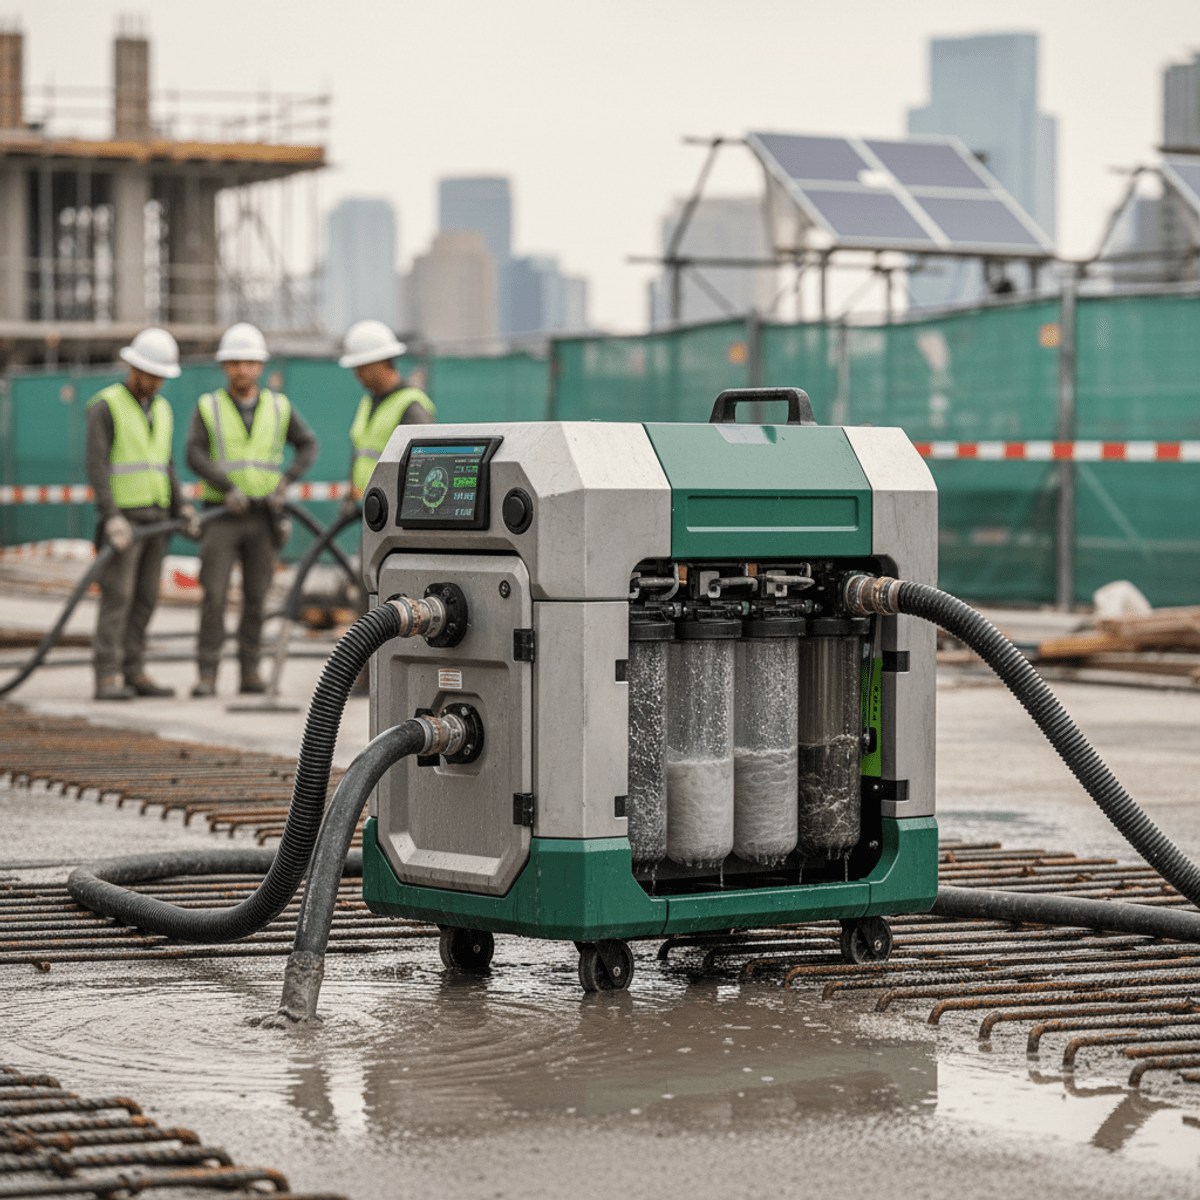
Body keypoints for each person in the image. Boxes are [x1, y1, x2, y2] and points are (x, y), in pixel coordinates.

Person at [185, 322, 319, 697]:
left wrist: (285, 480)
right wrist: (226, 486)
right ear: (225, 367)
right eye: (235, 363)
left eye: (249, 363)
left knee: (256, 598)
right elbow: (192, 453)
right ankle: (208, 674)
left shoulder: (279, 407)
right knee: (214, 595)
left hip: (263, 517)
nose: (242, 369)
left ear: (260, 367)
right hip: (221, 515)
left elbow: (307, 444)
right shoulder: (208, 407)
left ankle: (250, 672)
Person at [85, 327, 201, 701]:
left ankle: (133, 671)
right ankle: (107, 675)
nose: (155, 382)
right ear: (133, 368)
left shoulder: (162, 409)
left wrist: (180, 504)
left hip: (157, 522)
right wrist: (111, 515)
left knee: (146, 597)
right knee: (118, 597)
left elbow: (164, 464)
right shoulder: (107, 406)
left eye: (160, 376)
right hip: (125, 522)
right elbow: (97, 465)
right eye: (149, 374)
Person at [339, 319, 435, 505]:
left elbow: (421, 470)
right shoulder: (368, 402)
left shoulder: (411, 406)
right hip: (371, 511)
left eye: (361, 367)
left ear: (380, 362)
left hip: (393, 517)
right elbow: (360, 451)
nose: (356, 374)